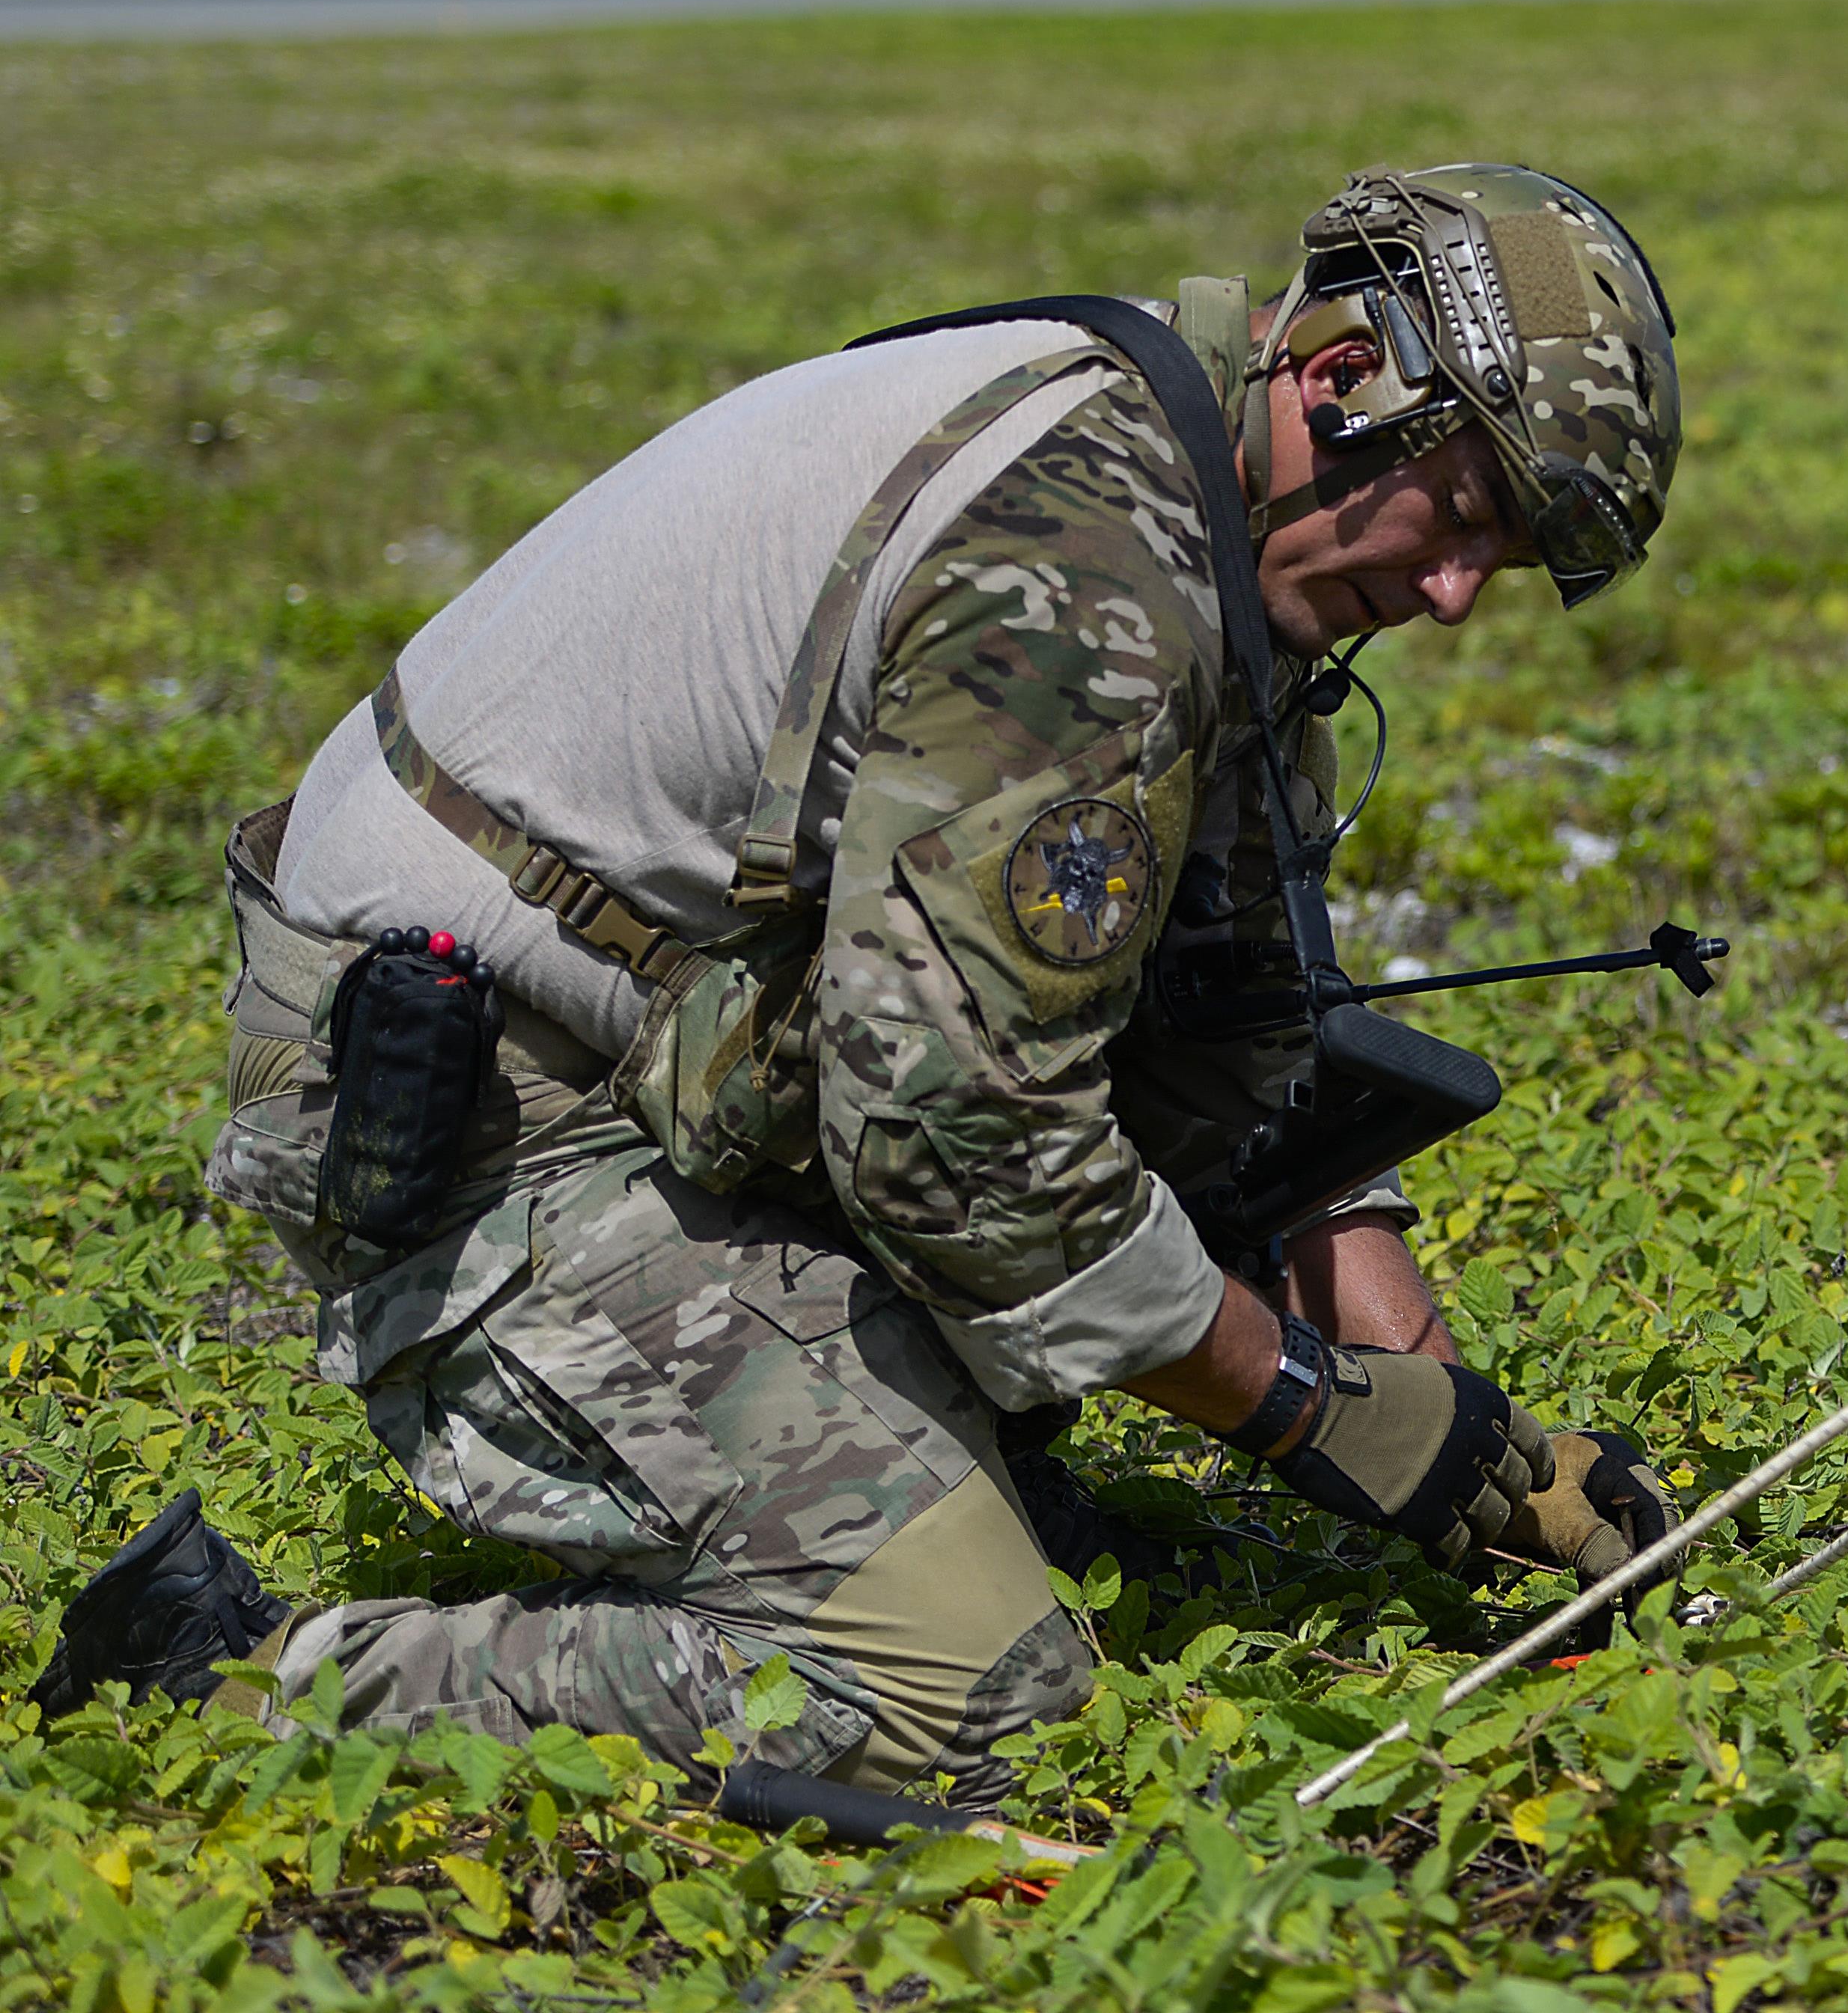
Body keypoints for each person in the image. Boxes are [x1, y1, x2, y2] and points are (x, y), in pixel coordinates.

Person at [25, 165, 1687, 1811]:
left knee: (1131, 1154)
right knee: (971, 1695)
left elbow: (1240, 1025)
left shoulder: (1188, 487)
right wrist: (1312, 1410)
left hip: (672, 1048)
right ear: (1345, 377)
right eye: (1465, 516)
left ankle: (929, 1463)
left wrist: (1470, 1445)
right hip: (469, 1093)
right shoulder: (1086, 574)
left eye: (1502, 564)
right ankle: (239, 1671)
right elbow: (965, 1148)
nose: (1454, 597)